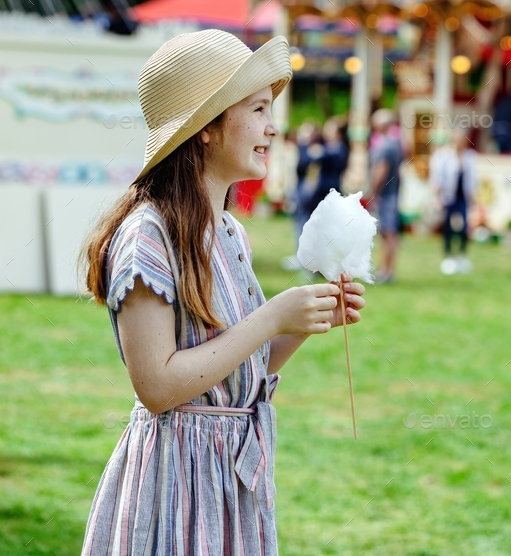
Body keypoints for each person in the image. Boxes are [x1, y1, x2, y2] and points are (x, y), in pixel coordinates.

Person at [80, 29, 366, 556]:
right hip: (175, 482)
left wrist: (304, 319)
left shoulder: (229, 233)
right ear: (207, 127)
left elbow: (237, 365)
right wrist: (271, 318)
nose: (273, 128)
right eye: (257, 109)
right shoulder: (147, 236)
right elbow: (158, 386)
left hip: (231, 480)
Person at [429, 129, 477, 275]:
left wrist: (474, 196)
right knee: (448, 227)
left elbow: (474, 179)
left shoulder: (470, 157)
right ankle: (448, 255)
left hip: (463, 197)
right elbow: (437, 178)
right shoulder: (443, 156)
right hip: (448, 197)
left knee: (464, 227)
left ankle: (462, 255)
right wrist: (437, 197)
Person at [369, 108, 404, 283]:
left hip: (385, 195)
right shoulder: (396, 143)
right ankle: (385, 268)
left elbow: (380, 171)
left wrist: (373, 193)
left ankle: (387, 271)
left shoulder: (386, 145)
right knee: (387, 234)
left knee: (389, 234)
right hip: (392, 193)